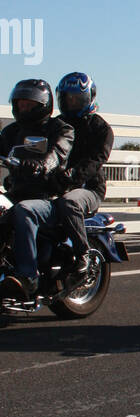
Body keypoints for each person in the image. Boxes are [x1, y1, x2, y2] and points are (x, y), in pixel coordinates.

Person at [0, 79, 74, 299]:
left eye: (29, 104)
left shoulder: (60, 128)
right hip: (16, 193)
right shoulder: (12, 131)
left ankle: (28, 276)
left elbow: (59, 151)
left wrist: (43, 164)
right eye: (20, 104)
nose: (23, 108)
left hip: (49, 197)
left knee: (24, 210)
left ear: (43, 104)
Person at [53, 73, 114, 280]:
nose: (72, 102)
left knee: (68, 203)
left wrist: (73, 176)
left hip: (88, 188)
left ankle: (82, 256)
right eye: (68, 97)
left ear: (89, 98)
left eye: (77, 98)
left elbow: (96, 160)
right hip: (54, 185)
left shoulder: (100, 128)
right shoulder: (56, 124)